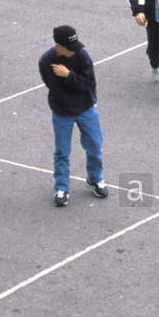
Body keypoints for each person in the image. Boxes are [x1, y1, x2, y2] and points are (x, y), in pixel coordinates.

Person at [38, 25, 107, 207]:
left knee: (95, 145)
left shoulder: (82, 55)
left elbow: (89, 84)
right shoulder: (46, 61)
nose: (74, 51)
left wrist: (69, 75)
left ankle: (95, 179)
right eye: (70, 48)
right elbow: (53, 87)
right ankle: (61, 187)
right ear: (58, 46)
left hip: (86, 108)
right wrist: (71, 85)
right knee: (62, 151)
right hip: (62, 111)